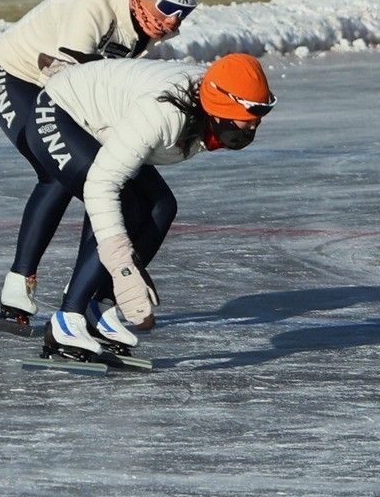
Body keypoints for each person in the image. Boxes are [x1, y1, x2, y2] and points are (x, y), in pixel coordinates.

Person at [0, 0, 199, 328]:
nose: (172, 22)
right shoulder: (92, 6)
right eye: (167, 9)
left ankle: (87, 294)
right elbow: (65, 86)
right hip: (19, 76)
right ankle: (19, 284)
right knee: (62, 174)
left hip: (71, 89)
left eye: (183, 14)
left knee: (111, 182)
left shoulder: (146, 17)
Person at [25, 52, 276, 359]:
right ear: (223, 105)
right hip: (59, 113)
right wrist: (123, 268)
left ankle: (98, 306)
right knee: (127, 205)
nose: (254, 125)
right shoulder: (163, 114)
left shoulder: (205, 105)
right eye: (250, 114)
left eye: (261, 114)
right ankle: (67, 319)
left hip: (103, 124)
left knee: (161, 206)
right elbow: (100, 186)